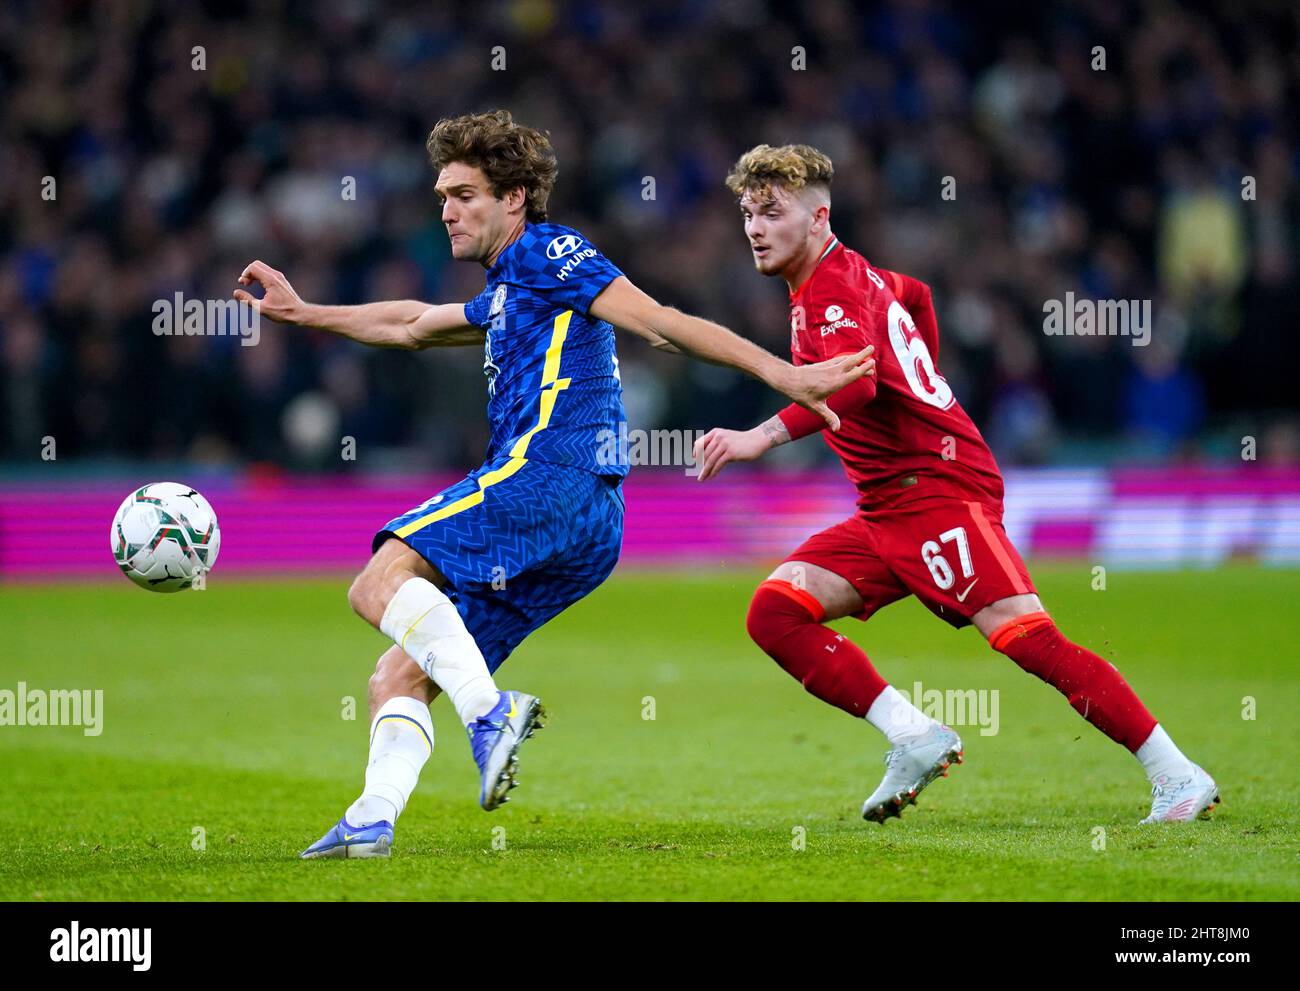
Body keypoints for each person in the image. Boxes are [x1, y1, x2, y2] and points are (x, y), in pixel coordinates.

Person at [233, 113, 875, 858]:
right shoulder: (510, 289)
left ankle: (488, 715)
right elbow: (411, 323)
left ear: (515, 198)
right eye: (442, 194)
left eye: (465, 193)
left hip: (549, 474)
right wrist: (304, 312)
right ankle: (373, 818)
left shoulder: (548, 250)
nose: (446, 209)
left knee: (378, 581)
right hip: (589, 527)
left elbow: (660, 323)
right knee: (398, 674)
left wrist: (782, 374)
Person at [692, 143, 1218, 825]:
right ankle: (914, 735)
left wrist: (756, 437)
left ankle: (1175, 773)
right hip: (887, 504)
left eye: (772, 212)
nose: (755, 228)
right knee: (775, 610)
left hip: (937, 490)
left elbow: (857, 385)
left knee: (1028, 638)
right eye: (747, 214)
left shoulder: (830, 291)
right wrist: (930, 389)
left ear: (819, 217)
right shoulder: (852, 274)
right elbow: (918, 295)